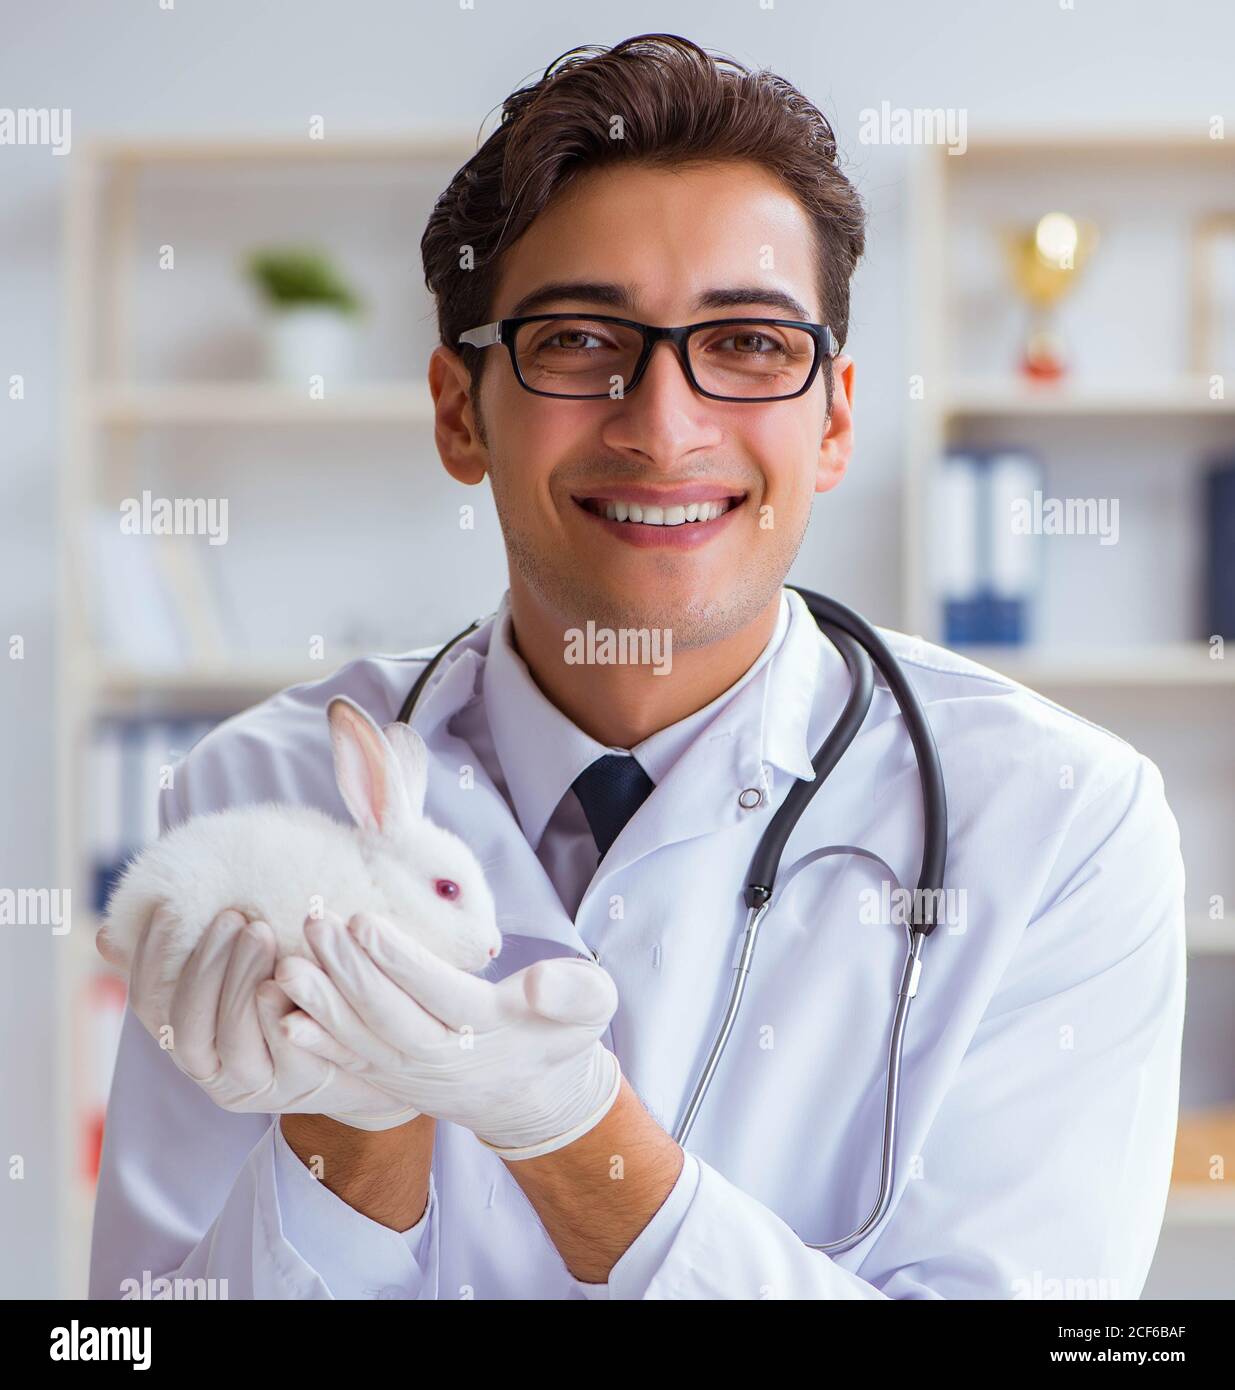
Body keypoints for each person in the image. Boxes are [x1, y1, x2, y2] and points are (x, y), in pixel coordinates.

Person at [89, 33, 1186, 1301]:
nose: (662, 425)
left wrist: (577, 1143)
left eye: (752, 345)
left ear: (831, 419)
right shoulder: (255, 800)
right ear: (459, 411)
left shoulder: (1060, 823)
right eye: (574, 339)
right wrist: (348, 1134)